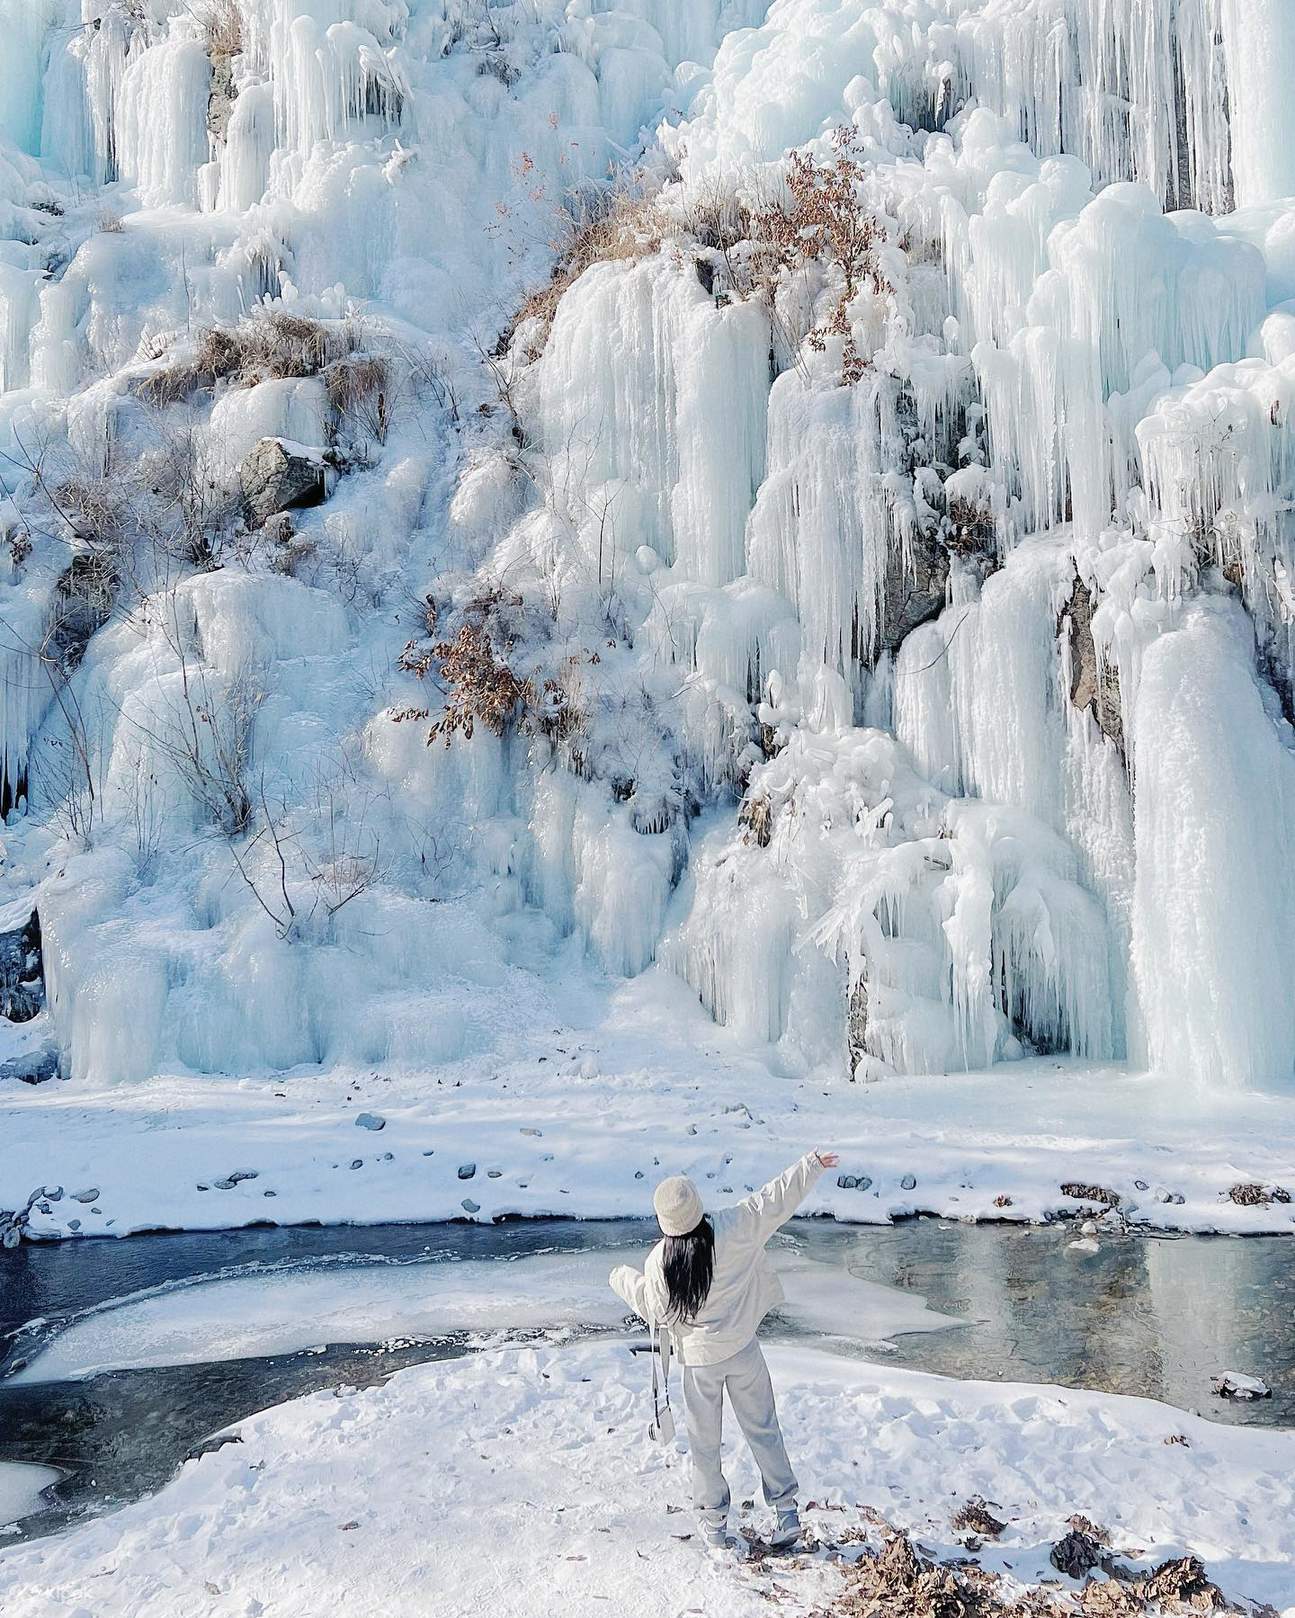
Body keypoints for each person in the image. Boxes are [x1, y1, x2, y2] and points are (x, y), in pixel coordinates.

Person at [609, 1149, 839, 1552]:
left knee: (705, 1444)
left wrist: (620, 1279)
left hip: (699, 1365)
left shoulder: (659, 1263)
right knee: (763, 1429)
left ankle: (714, 1526)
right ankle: (786, 1515)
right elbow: (775, 1199)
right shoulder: (735, 1227)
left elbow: (655, 1310)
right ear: (698, 1206)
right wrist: (812, 1164)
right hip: (743, 1350)